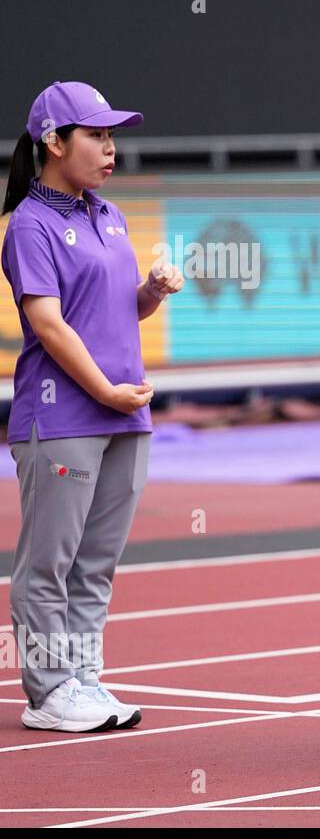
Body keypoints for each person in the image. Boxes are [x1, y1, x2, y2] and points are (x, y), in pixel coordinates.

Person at [2, 82, 184, 733]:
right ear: (54, 143)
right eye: (97, 137)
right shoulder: (30, 224)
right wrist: (103, 390)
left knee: (96, 563)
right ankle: (48, 692)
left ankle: (80, 678)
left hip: (123, 412)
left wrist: (151, 292)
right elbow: (49, 325)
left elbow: (111, 311)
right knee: (48, 562)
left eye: (113, 138)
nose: (111, 149)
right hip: (64, 415)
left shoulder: (107, 215)